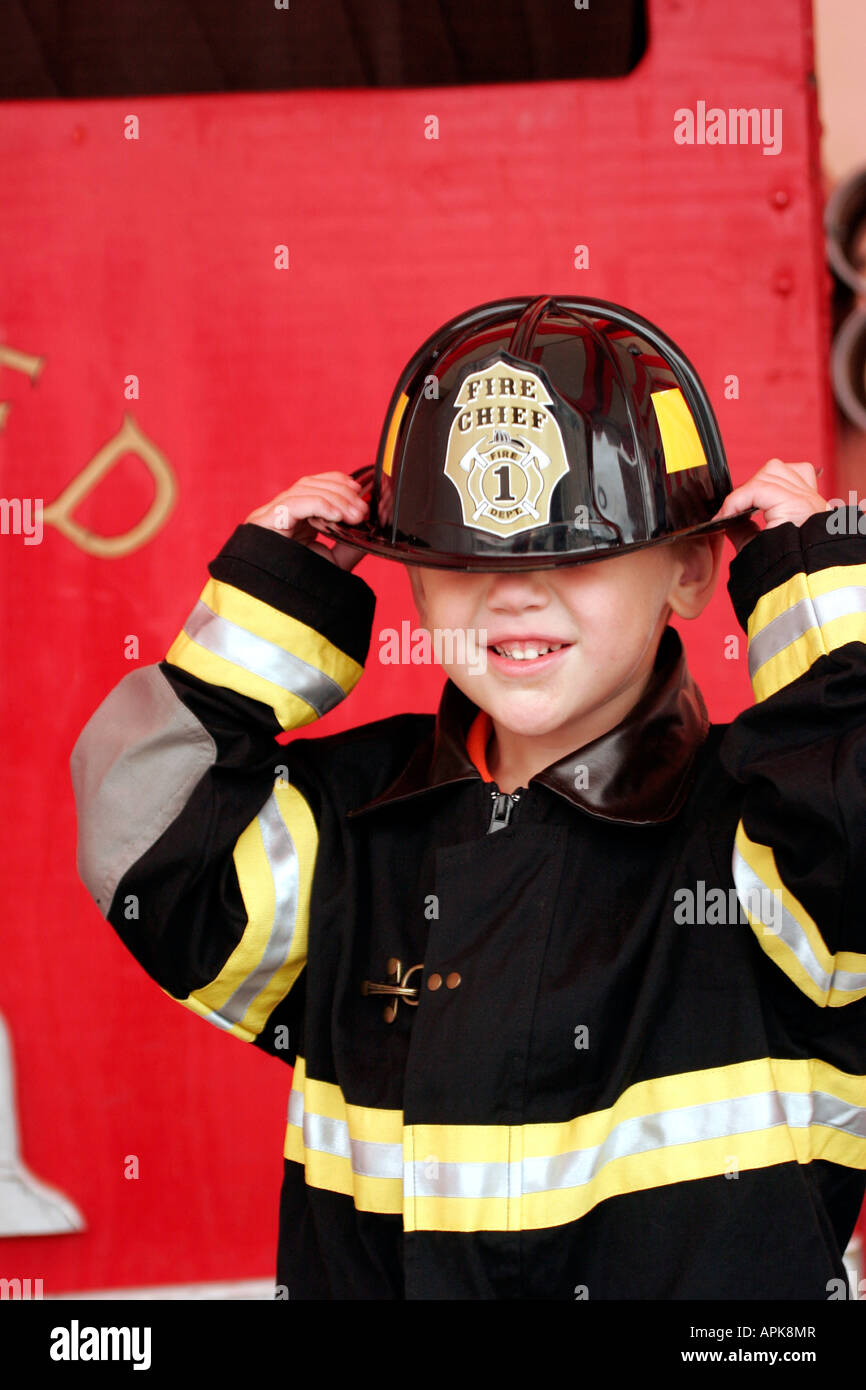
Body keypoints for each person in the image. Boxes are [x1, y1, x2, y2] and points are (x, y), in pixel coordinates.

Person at [70, 296, 866, 1300]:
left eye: (571, 552)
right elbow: (146, 856)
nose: (514, 596)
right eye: (464, 560)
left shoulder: (768, 842)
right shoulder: (352, 823)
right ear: (411, 578)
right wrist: (278, 596)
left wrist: (819, 614)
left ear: (692, 568)